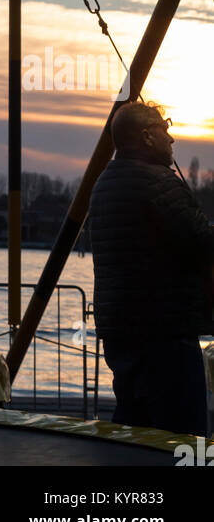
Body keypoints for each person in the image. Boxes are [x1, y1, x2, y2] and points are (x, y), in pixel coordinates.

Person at [89, 101, 214, 436]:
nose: (171, 138)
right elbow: (202, 241)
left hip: (121, 332)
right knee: (183, 434)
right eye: (165, 128)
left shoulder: (104, 184)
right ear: (146, 136)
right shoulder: (158, 183)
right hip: (165, 333)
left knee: (135, 430)